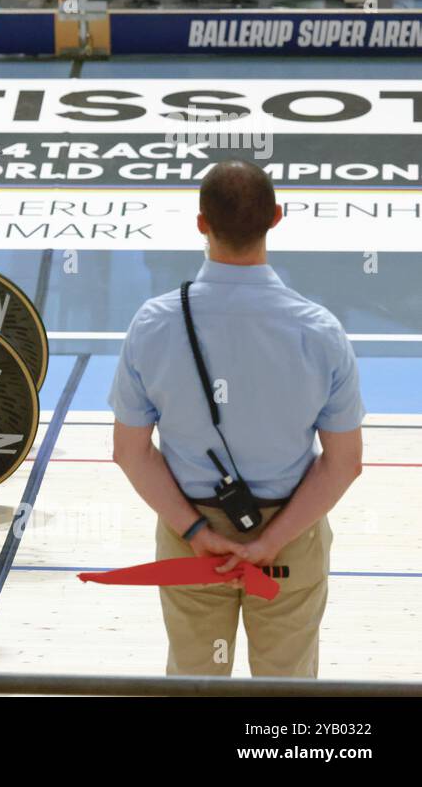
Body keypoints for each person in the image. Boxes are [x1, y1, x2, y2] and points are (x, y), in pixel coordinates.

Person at [109, 159, 365, 678]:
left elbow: (129, 451)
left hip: (191, 535)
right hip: (290, 537)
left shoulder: (153, 324)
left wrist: (197, 531)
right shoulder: (320, 332)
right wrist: (271, 542)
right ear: (276, 216)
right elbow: (345, 464)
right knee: (288, 693)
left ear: (201, 222)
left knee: (195, 680)